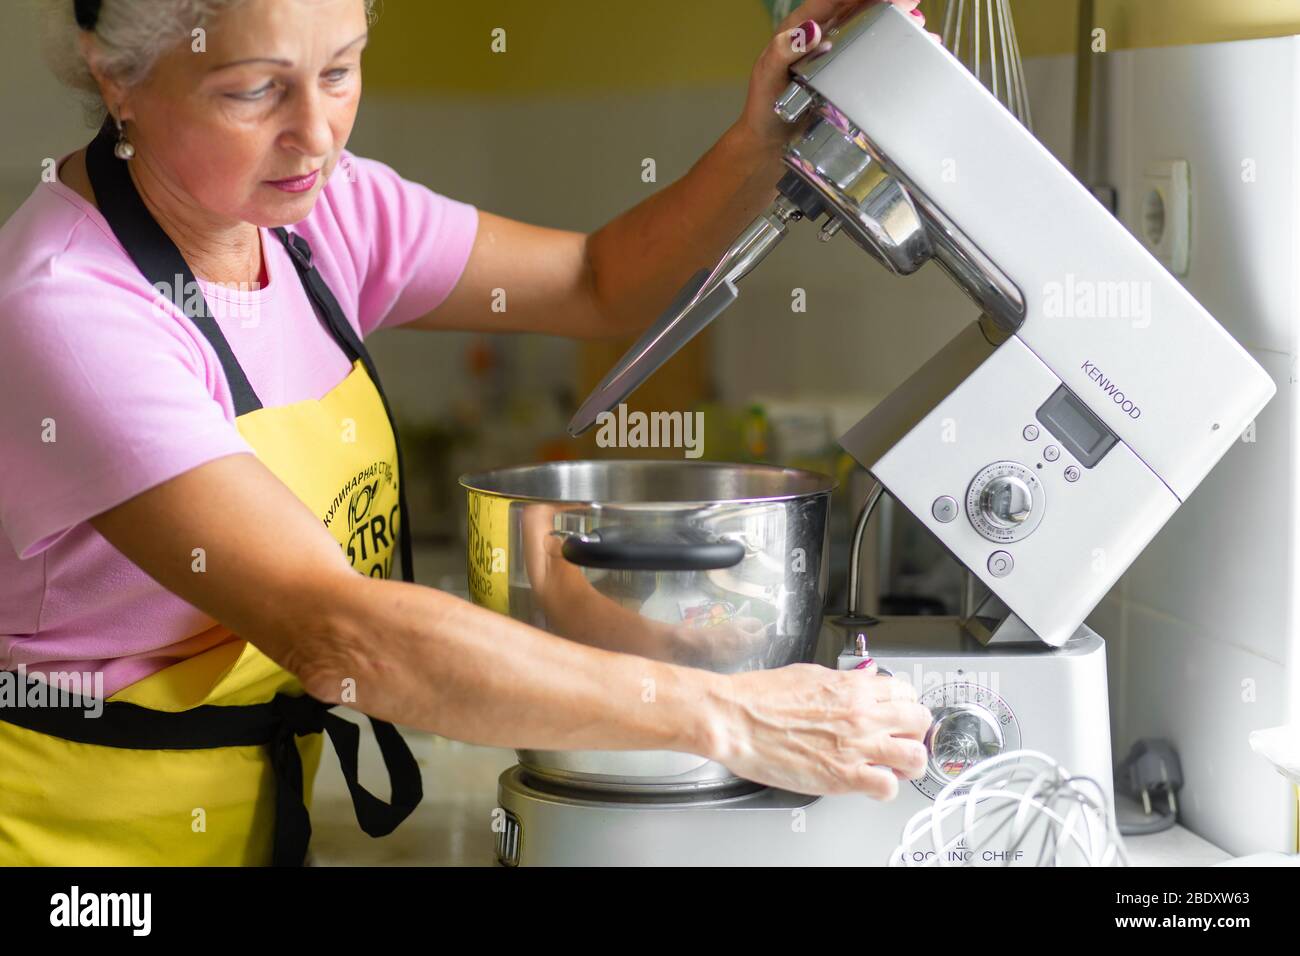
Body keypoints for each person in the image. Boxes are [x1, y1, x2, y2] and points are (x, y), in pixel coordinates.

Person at [0, 0, 935, 865]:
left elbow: (596, 282)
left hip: (245, 813)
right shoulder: (71, 312)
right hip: (68, 841)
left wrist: (762, 141)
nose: (317, 135)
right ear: (116, 74)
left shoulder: (320, 216)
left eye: (341, 71)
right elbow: (340, 635)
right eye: (253, 89)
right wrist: (730, 715)